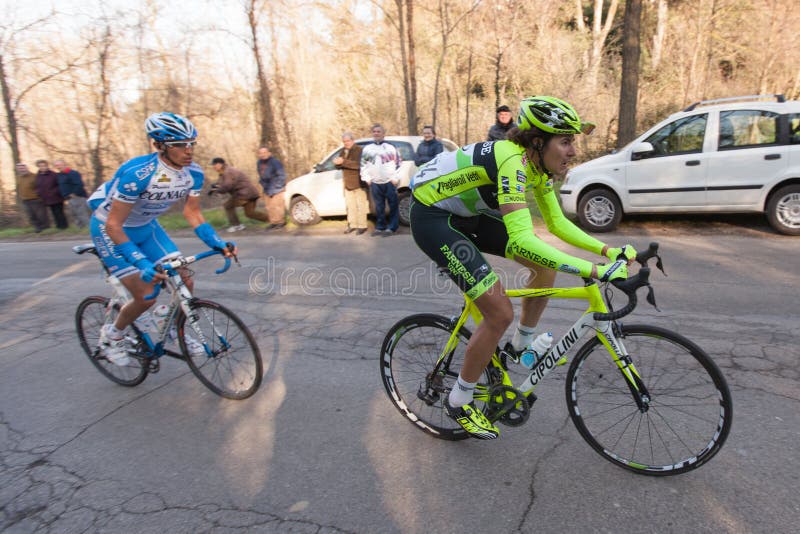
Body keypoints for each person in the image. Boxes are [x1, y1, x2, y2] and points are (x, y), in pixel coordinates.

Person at [409, 96, 635, 439]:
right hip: (433, 218)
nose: (573, 151)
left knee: (545, 268)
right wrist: (592, 270)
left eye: (573, 141)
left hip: (465, 215)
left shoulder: (538, 167)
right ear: (538, 142)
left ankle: (519, 346)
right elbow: (520, 240)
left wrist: (607, 249)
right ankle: (459, 399)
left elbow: (557, 223)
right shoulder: (513, 162)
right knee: (499, 312)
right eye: (567, 141)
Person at [87, 112, 237, 366]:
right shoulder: (139, 173)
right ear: (159, 145)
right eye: (179, 145)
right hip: (110, 229)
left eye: (191, 143)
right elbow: (114, 225)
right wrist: (142, 263)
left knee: (185, 279)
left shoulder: (194, 173)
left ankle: (167, 327)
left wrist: (216, 242)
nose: (188, 150)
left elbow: (192, 213)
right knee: (146, 295)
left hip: (147, 227)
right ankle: (113, 335)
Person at [360, 124, 401, 236]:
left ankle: (392, 227)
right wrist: (367, 178)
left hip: (389, 182)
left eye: (379, 131)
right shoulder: (367, 149)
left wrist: (395, 178)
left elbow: (398, 163)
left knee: (393, 205)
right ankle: (380, 227)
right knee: (379, 206)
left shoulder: (390, 148)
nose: (376, 133)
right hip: (375, 182)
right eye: (374, 131)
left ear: (383, 133)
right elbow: (363, 165)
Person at [209, 157, 269, 232]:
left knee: (228, 205)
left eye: (214, 165)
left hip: (244, 195)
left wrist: (218, 190)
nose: (213, 167)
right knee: (250, 213)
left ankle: (236, 225)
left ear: (220, 164)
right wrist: (215, 186)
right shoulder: (224, 172)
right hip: (251, 193)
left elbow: (227, 186)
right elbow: (222, 183)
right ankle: (272, 220)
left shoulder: (228, 172)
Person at [333, 132, 367, 235]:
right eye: (344, 141)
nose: (346, 143)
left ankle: (362, 226)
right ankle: (352, 225)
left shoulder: (359, 150)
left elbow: (358, 165)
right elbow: (339, 165)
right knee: (350, 206)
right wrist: (337, 163)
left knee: (361, 205)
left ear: (352, 140)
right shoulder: (343, 151)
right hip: (347, 183)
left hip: (358, 182)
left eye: (348, 141)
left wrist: (343, 162)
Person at [256, 146, 287, 230]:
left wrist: (277, 187)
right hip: (266, 188)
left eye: (265, 152)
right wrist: (263, 184)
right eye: (261, 153)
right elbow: (261, 175)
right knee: (269, 207)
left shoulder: (275, 162)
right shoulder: (259, 163)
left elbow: (282, 175)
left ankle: (280, 222)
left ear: (269, 153)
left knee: (277, 206)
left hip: (277, 188)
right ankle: (273, 222)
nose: (263, 155)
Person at [54, 159, 90, 229]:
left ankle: (88, 228)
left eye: (59, 165)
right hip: (68, 198)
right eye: (56, 166)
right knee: (74, 214)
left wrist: (74, 193)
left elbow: (79, 184)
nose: (58, 167)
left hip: (78, 197)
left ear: (64, 164)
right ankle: (79, 229)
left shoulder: (72, 173)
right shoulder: (60, 175)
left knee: (82, 213)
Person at [15, 162, 50, 232]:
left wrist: (40, 197)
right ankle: (37, 228)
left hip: (35, 199)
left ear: (26, 168)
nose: (21, 169)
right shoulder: (18, 177)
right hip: (25, 200)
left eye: (23, 168)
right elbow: (18, 188)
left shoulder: (34, 176)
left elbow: (40, 187)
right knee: (31, 215)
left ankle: (46, 228)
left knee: (41, 215)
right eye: (19, 168)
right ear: (17, 170)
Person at [35, 159, 68, 229]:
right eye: (40, 166)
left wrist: (54, 192)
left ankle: (64, 226)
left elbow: (59, 185)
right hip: (46, 199)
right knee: (54, 213)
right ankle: (58, 227)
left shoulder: (53, 174)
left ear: (47, 166)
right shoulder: (38, 176)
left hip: (56, 197)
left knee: (59, 212)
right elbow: (38, 186)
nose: (42, 167)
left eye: (44, 166)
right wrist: (39, 193)